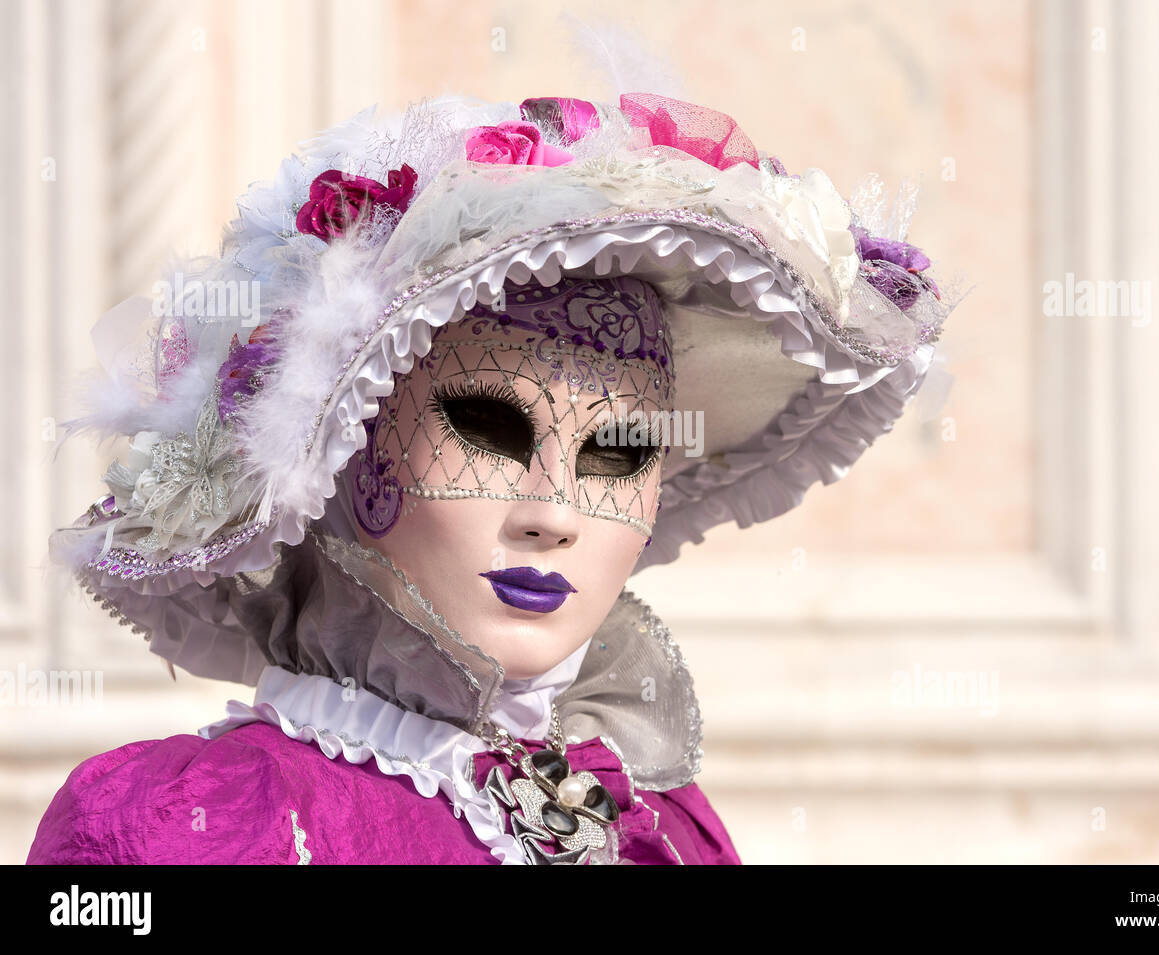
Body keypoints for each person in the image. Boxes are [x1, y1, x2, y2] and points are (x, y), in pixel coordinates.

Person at [28, 92, 954, 864]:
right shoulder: (194, 824)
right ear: (345, 457)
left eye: (619, 452)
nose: (553, 516)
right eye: (486, 427)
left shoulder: (662, 824)